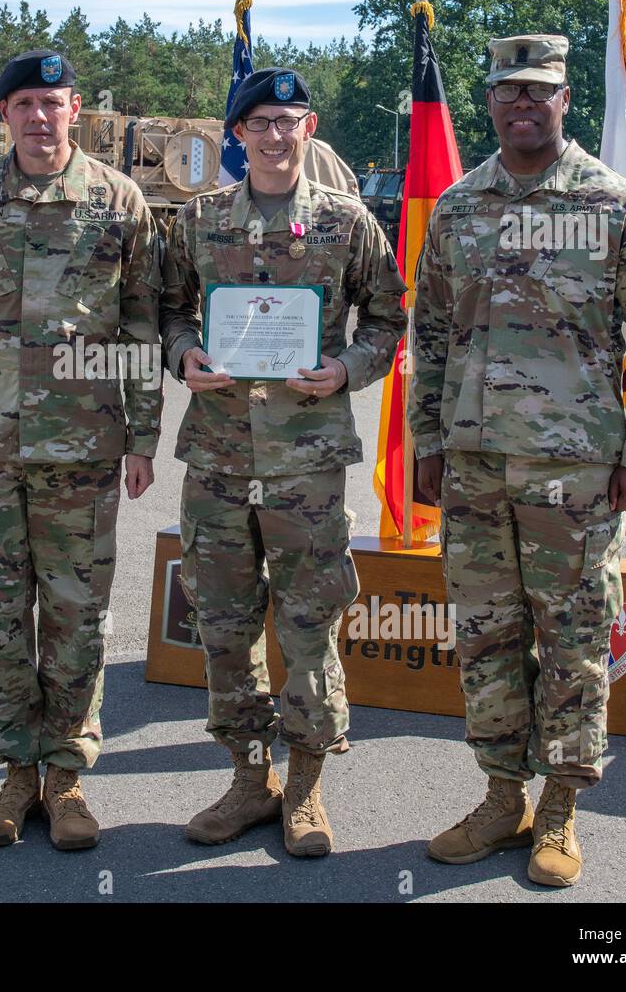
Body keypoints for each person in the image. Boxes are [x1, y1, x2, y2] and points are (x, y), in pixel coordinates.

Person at [409, 34, 626, 887]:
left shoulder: (618, 206)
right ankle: (502, 798)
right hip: (475, 465)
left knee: (572, 641)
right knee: (487, 637)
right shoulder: (457, 209)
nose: (523, 104)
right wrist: (426, 441)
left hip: (578, 472)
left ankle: (560, 810)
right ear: (489, 103)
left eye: (540, 91)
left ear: (565, 101)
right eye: (508, 91)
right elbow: (430, 337)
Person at [0, 49, 164, 850]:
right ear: (4, 114)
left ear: (75, 109)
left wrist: (143, 436)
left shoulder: (119, 202)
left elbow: (144, 324)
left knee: (78, 619)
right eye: (24, 104)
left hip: (85, 451)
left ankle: (69, 777)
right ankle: (16, 774)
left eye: (53, 102)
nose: (40, 117)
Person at [160, 67, 406, 856]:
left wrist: (348, 369)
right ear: (237, 134)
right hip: (221, 459)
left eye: (288, 121)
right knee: (225, 627)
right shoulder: (197, 223)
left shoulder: (346, 221)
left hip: (307, 461)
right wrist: (184, 353)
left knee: (308, 626)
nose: (274, 135)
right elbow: (160, 310)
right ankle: (245, 779)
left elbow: (391, 315)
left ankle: (304, 788)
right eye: (259, 121)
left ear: (310, 128)